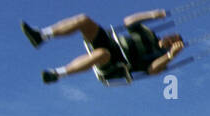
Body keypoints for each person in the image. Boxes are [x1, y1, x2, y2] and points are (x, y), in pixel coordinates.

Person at [21, 11, 184, 84]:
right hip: (111, 42)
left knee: (101, 54)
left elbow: (152, 70)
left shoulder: (160, 56)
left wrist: (171, 55)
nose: (171, 39)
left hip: (117, 62)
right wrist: (154, 14)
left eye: (174, 41)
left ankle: (57, 74)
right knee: (83, 20)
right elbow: (129, 21)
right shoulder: (148, 33)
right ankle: (41, 35)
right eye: (173, 36)